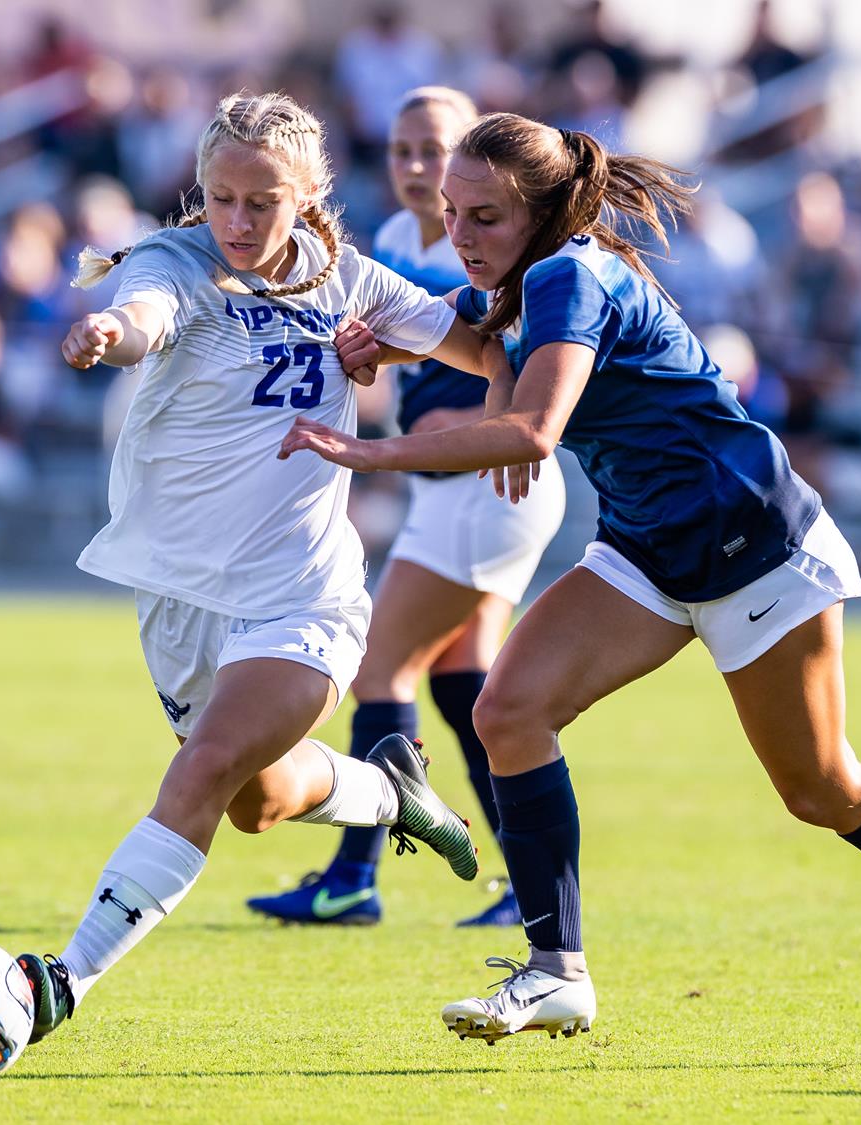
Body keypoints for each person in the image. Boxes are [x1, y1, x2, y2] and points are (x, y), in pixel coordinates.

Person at [278, 113, 861, 1058]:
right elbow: (471, 335)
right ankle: (557, 969)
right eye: (451, 213)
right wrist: (386, 346)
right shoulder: (526, 279)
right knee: (508, 710)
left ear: (543, 215)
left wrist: (365, 449)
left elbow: (536, 430)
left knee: (821, 787)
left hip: (754, 544)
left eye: (484, 218)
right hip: (646, 551)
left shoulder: (569, 275)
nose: (460, 236)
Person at [11, 92, 499, 1046]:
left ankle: (65, 979)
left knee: (201, 770)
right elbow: (146, 307)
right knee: (255, 801)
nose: (237, 222)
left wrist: (525, 425)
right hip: (180, 598)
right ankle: (390, 791)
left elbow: (483, 351)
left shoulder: (355, 281)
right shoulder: (173, 259)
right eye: (221, 198)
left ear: (309, 194)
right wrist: (114, 331)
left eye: (262, 203)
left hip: (302, 592)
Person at [245, 87, 566, 929]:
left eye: (435, 149)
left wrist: (478, 415)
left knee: (381, 669)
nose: (419, 168)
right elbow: (394, 356)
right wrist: (364, 352)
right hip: (445, 488)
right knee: (464, 683)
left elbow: (515, 365)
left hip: (485, 486)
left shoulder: (490, 250)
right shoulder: (387, 238)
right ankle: (528, 885)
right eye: (402, 151)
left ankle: (355, 873)